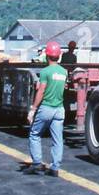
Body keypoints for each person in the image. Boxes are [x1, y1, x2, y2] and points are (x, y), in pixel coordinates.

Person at [26, 41, 68, 176]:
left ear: (47, 56)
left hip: (46, 108)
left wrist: (33, 109)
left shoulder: (45, 72)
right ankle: (55, 168)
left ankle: (37, 164)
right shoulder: (64, 72)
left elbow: (41, 91)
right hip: (59, 109)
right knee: (57, 139)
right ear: (59, 55)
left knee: (34, 134)